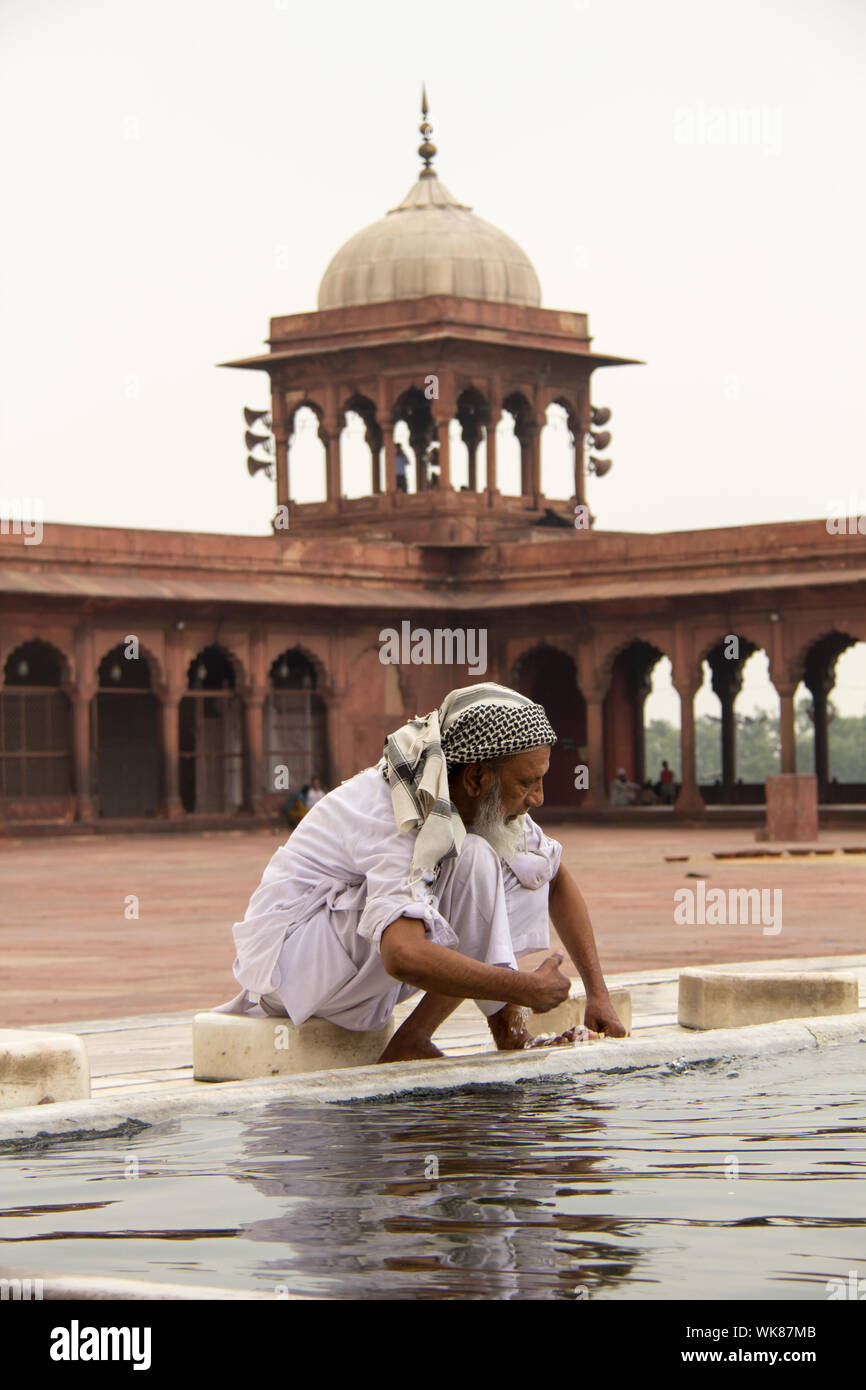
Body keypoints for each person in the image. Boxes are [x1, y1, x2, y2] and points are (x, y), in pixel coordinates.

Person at [217, 682, 627, 1061]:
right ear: (476, 778)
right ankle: (507, 1030)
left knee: (505, 870)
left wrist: (599, 996)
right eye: (527, 782)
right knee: (476, 861)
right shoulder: (400, 808)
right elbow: (402, 954)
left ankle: (423, 1039)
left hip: (350, 971)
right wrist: (525, 988)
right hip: (293, 971)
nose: (537, 797)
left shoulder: (482, 802)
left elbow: (554, 879)